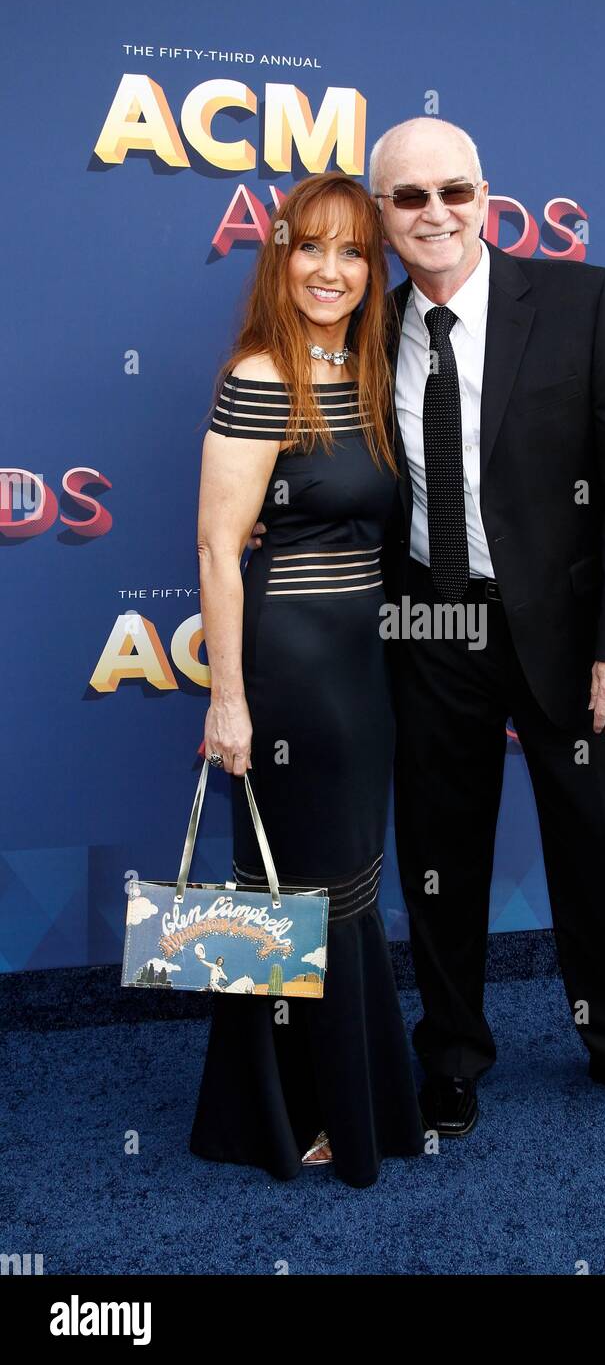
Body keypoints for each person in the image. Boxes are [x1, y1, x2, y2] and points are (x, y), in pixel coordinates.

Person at [250, 118, 605, 1139]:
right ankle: (452, 1057)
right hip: (427, 621)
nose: (434, 214)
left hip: (567, 628)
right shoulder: (363, 332)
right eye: (407, 198)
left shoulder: (581, 299)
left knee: (602, 849)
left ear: (485, 198)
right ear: (379, 215)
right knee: (438, 853)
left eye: (451, 192)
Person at [189, 171, 425, 1188]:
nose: (331, 270)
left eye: (353, 252)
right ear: (280, 256)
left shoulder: (366, 372)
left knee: (341, 886)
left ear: (373, 272)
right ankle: (289, 1114)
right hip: (289, 669)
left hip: (363, 669)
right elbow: (215, 545)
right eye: (311, 247)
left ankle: (296, 1105)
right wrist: (229, 698)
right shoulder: (257, 372)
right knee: (294, 894)